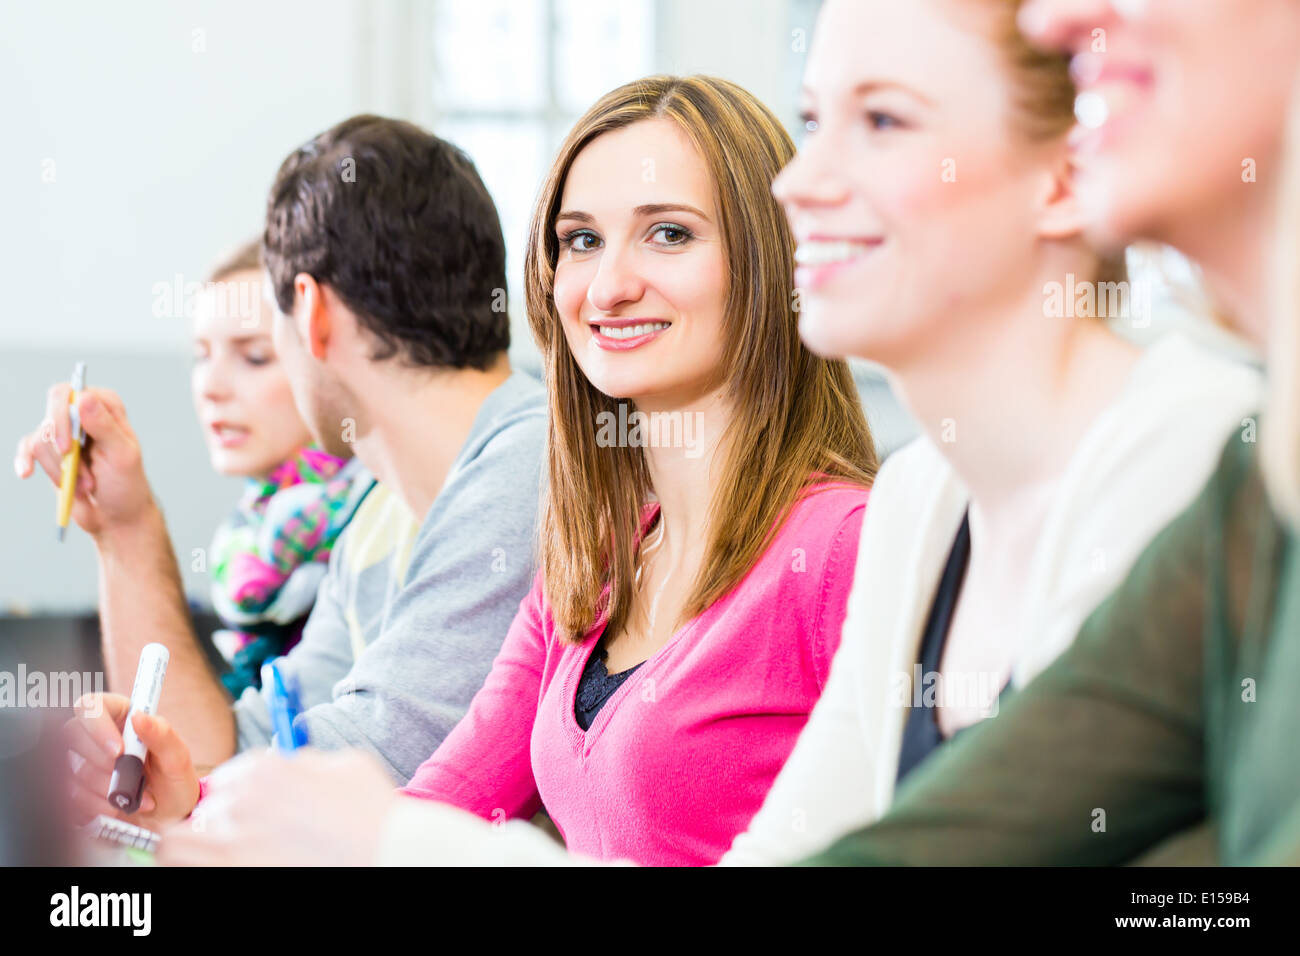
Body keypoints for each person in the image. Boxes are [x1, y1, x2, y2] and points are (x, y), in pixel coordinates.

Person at [159, 74, 879, 867]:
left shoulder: (846, 546)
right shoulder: (594, 561)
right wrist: (190, 808)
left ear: (767, 259)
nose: (609, 286)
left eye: (669, 234)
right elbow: (433, 804)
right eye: (581, 240)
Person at [721, 0, 1262, 864]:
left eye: (884, 120)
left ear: (1061, 179)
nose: (796, 180)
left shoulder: (1193, 448)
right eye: (815, 119)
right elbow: (790, 852)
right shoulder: (913, 499)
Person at [16, 115, 547, 831]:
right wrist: (123, 527)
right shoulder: (375, 513)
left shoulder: (525, 468)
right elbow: (238, 748)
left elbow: (370, 773)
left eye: (260, 346)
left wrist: (192, 800)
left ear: (311, 313)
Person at [193, 240, 369, 698]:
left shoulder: (376, 517)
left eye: (254, 356)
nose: (210, 386)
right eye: (201, 354)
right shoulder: (251, 533)